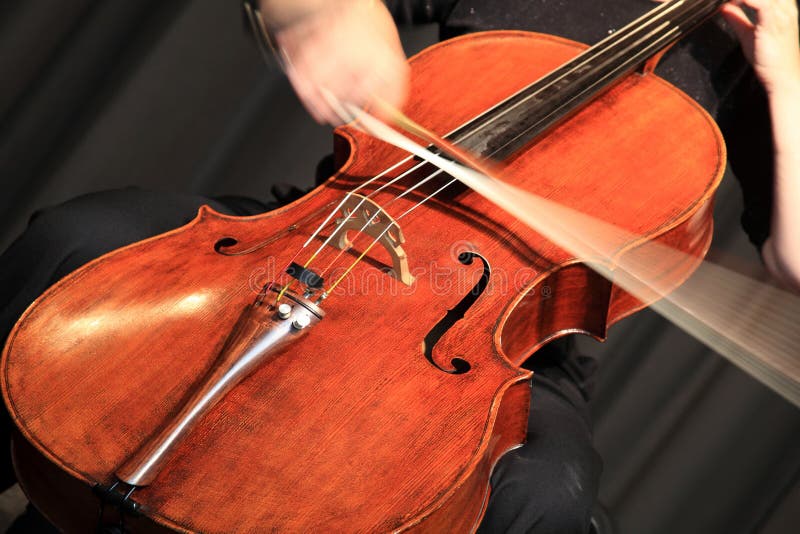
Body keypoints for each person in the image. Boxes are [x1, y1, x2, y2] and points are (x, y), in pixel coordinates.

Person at [0, 0, 796, 532]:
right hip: (327, 228)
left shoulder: (779, 56)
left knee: (544, 497)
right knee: (82, 236)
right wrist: (316, 12)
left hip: (497, 335)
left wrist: (784, 69)